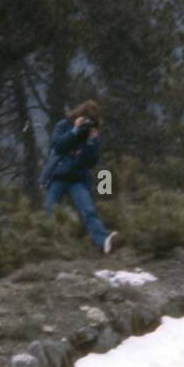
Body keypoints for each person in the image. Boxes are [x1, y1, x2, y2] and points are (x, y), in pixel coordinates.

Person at [40, 100, 119, 254]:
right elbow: (58, 146)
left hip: (78, 179)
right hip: (57, 176)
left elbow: (91, 161)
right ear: (79, 115)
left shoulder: (90, 136)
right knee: (51, 214)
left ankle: (103, 241)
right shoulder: (63, 125)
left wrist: (91, 140)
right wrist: (74, 130)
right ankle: (50, 249)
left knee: (88, 210)